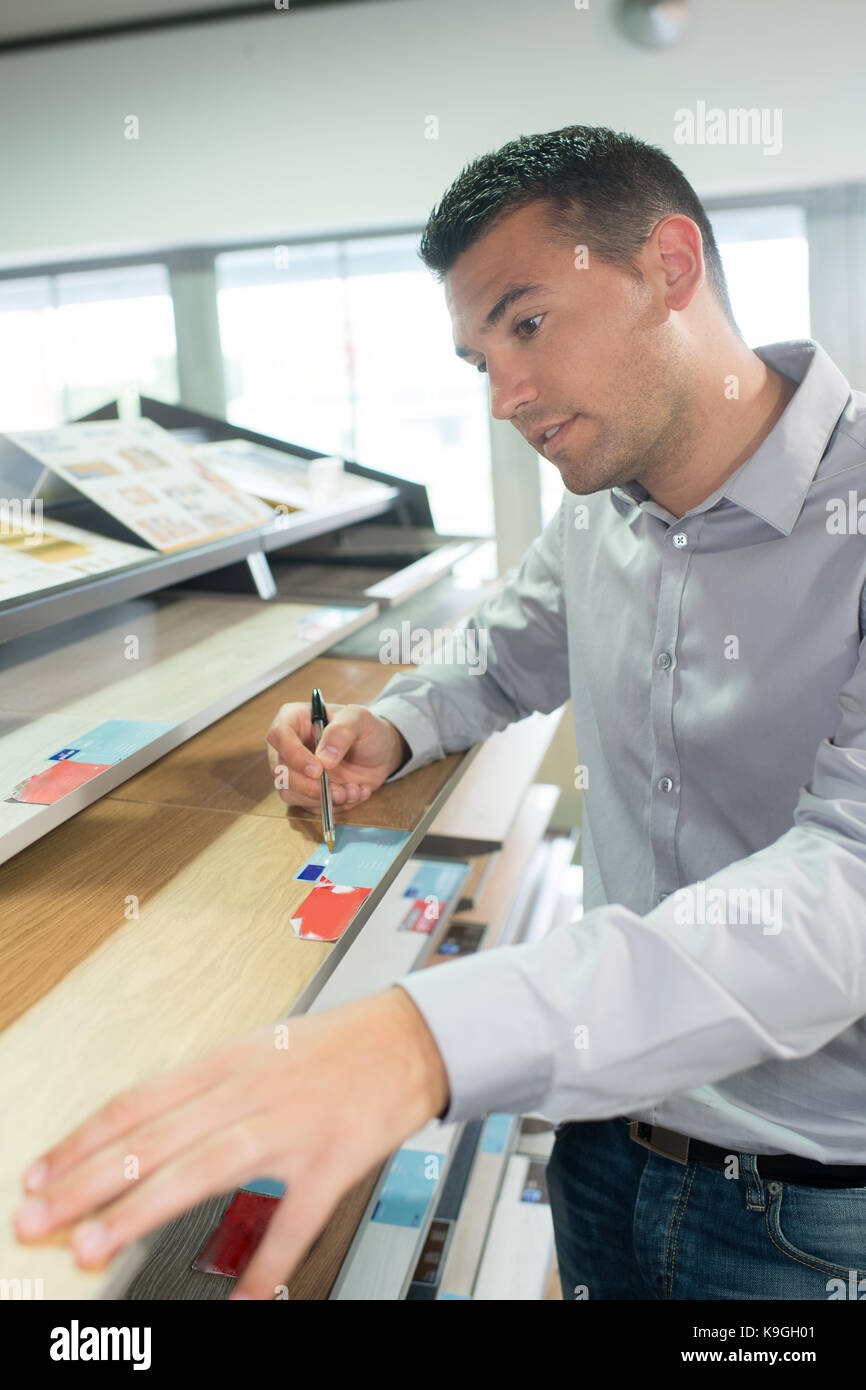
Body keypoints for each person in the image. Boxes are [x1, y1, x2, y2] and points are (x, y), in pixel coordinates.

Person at [14, 126, 866, 1301]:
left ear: (668, 267)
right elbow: (508, 649)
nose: (507, 397)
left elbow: (844, 892)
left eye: (526, 323)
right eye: (479, 361)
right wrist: (397, 722)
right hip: (600, 1137)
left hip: (804, 1217)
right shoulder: (600, 509)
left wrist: (424, 1037)